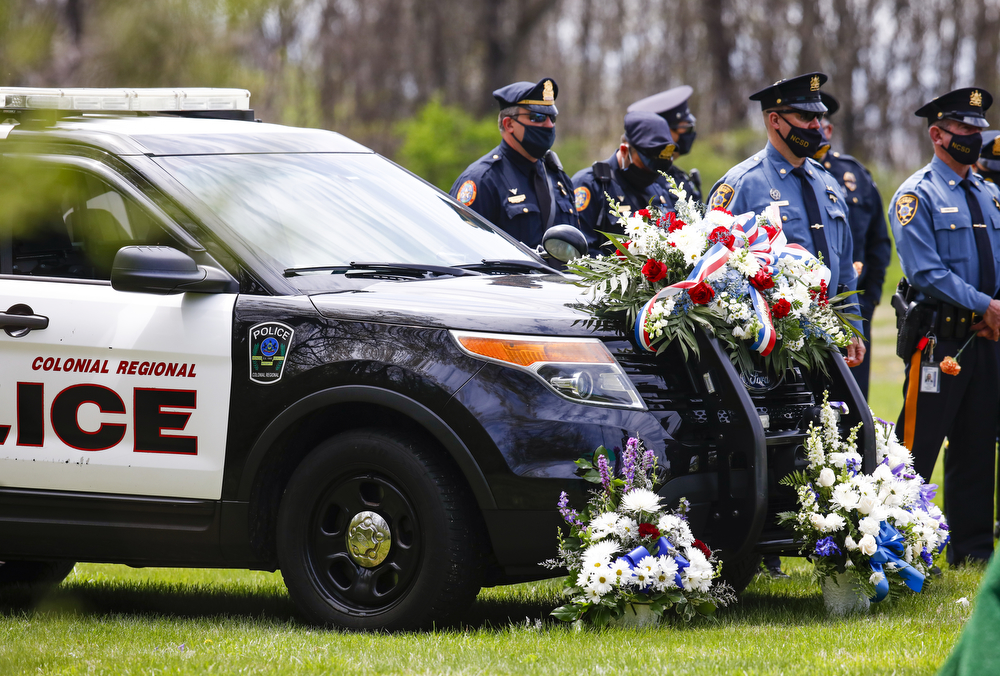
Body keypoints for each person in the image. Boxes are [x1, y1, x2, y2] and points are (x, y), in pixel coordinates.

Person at [708, 72, 865, 580]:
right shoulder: (744, 183)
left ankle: (834, 543)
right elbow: (716, 268)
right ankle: (760, 548)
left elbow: (843, 267)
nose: (819, 125)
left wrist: (852, 327)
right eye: (806, 117)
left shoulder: (826, 182)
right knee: (773, 447)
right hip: (770, 348)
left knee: (833, 442)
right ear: (775, 120)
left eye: (822, 116)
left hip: (827, 345)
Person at [891, 87, 1000, 565]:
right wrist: (985, 304)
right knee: (916, 447)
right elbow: (925, 272)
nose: (975, 137)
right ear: (937, 135)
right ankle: (892, 541)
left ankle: (971, 550)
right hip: (939, 338)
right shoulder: (917, 195)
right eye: (964, 130)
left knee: (977, 444)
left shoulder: (989, 193)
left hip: (986, 338)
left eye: (979, 129)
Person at [817, 91, 892, 399]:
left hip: (852, 314)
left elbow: (879, 244)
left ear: (828, 130)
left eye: (817, 120)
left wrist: (869, 302)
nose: (812, 127)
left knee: (852, 409)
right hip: (794, 314)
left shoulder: (856, 176)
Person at [450, 78, 580, 249]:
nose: (549, 125)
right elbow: (460, 251)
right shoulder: (482, 180)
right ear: (509, 123)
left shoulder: (558, 177)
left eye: (552, 117)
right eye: (538, 117)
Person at [572, 111, 678, 255]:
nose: (651, 173)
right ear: (624, 151)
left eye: (657, 168)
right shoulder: (591, 185)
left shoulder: (659, 191)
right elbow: (579, 253)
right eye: (645, 165)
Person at [628, 85, 702, 202]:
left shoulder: (680, 177)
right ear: (663, 130)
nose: (688, 134)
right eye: (684, 128)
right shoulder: (645, 178)